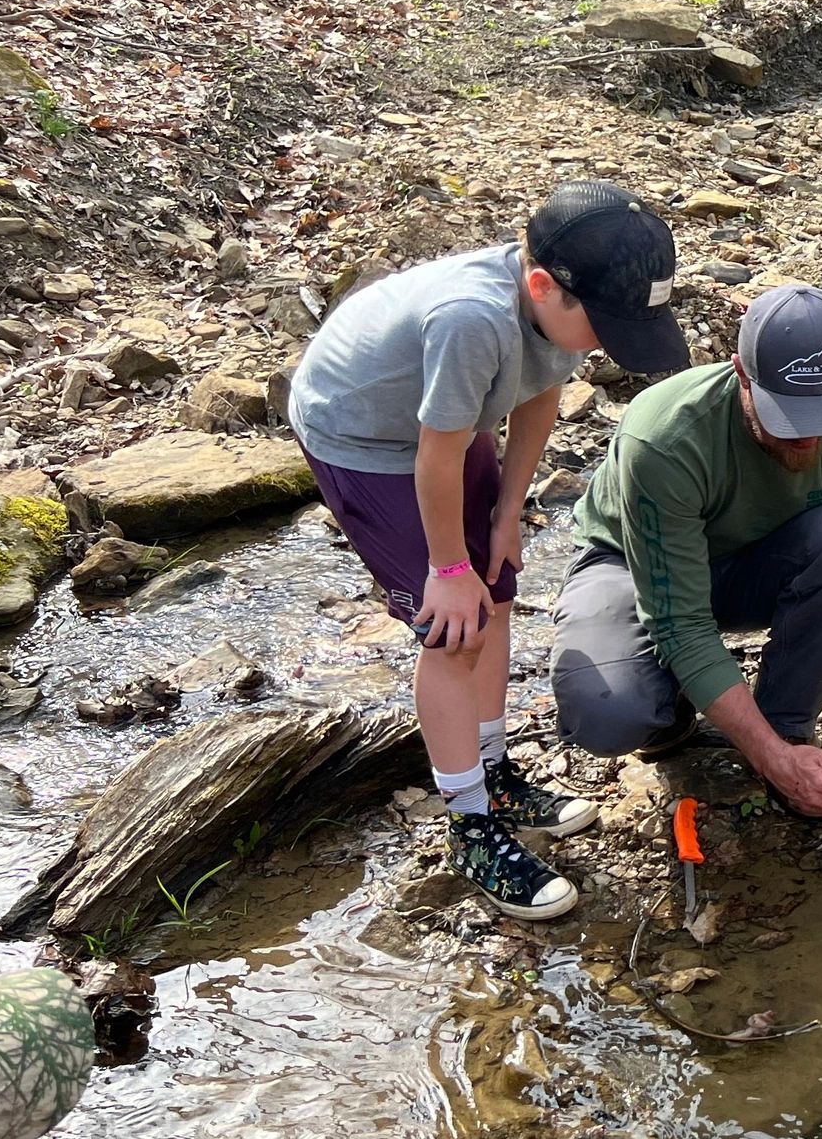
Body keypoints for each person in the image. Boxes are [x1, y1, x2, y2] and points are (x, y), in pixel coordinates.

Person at [287, 181, 692, 921]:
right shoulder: (473, 319)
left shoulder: (557, 310)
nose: (607, 342)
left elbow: (539, 392)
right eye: (604, 325)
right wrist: (446, 570)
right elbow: (436, 456)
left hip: (444, 422)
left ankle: (494, 773)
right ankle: (470, 824)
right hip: (365, 434)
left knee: (496, 589)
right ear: (542, 287)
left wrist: (508, 513)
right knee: (454, 630)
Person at [549, 283, 822, 819]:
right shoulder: (665, 437)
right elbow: (680, 621)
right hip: (630, 564)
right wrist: (768, 759)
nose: (807, 439)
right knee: (611, 717)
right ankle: (678, 710)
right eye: (789, 418)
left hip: (753, 561)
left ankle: (787, 729)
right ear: (742, 373)